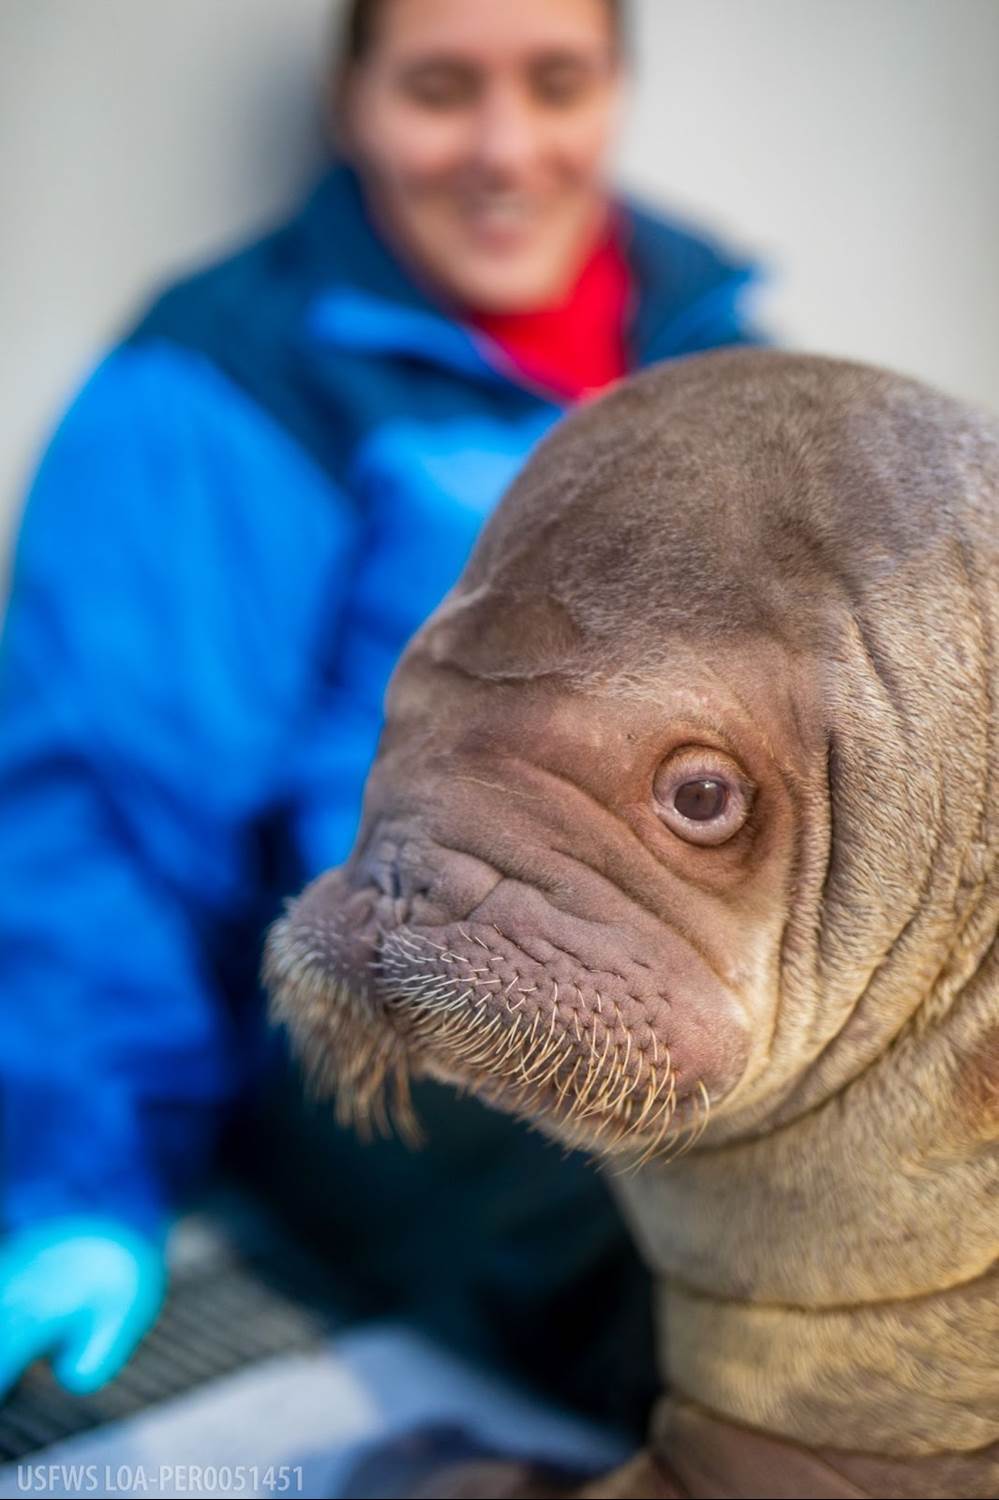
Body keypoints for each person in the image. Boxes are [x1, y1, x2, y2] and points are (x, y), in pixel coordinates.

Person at [0, 0, 764, 1429]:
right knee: (792, 1315)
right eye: (439, 89)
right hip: (428, 1022)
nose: (504, 150)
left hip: (735, 966)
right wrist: (73, 1177)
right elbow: (106, 811)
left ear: (614, 90)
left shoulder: (717, 348)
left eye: (556, 84)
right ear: (350, 101)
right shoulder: (227, 380)